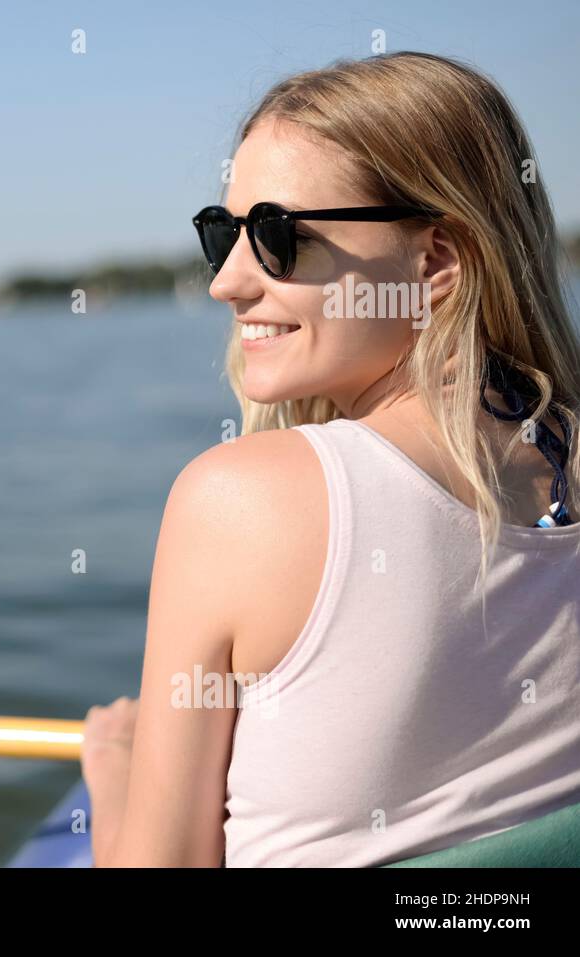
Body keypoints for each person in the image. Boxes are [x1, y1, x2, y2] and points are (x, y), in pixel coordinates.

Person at [81, 51, 580, 867]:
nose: (228, 282)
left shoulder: (239, 500)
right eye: (223, 233)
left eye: (280, 237)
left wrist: (114, 782)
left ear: (435, 263)